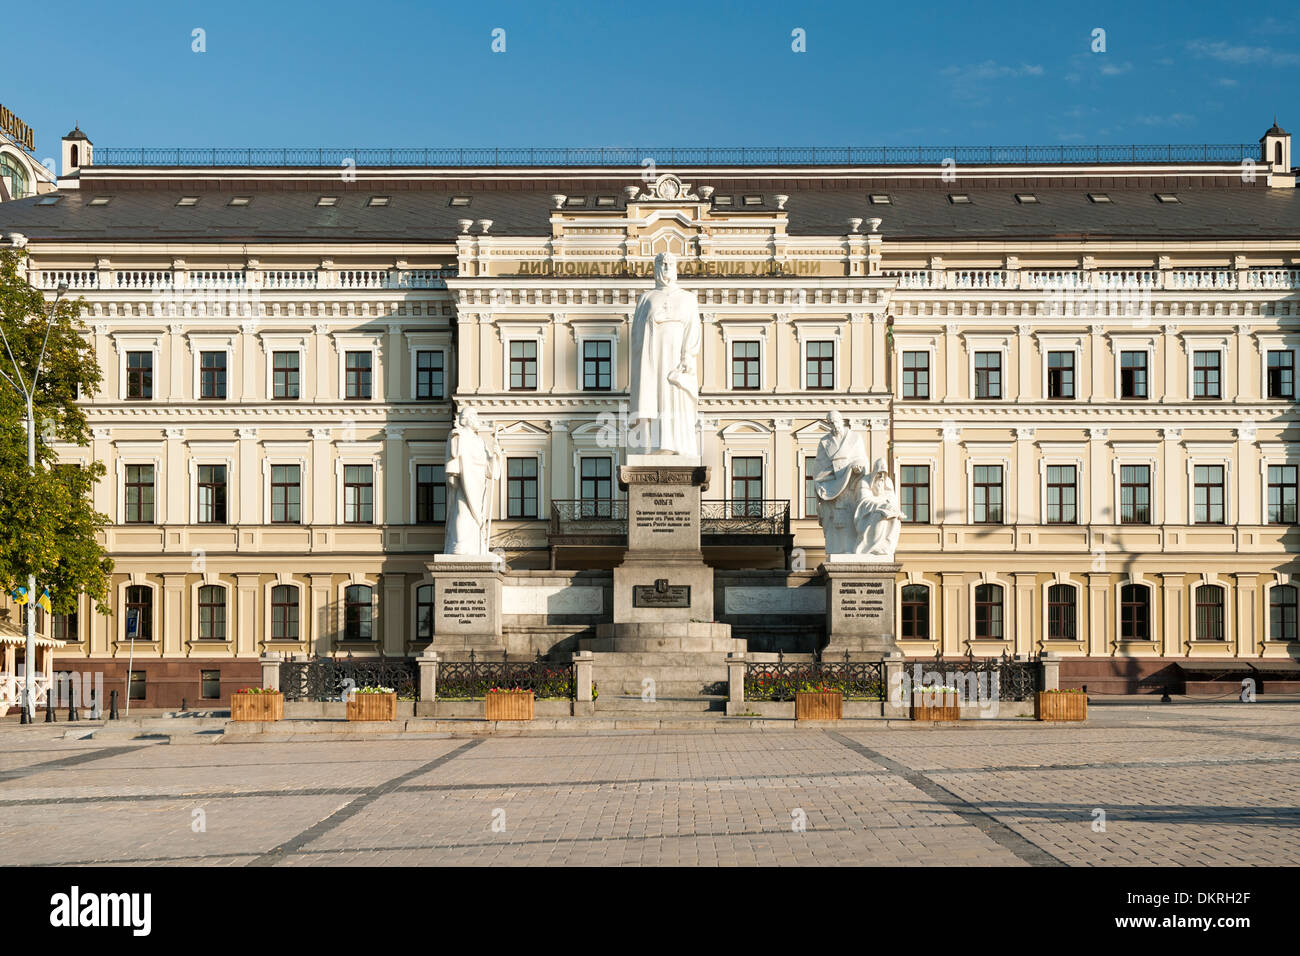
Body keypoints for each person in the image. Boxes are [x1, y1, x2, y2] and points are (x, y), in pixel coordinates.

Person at [628, 251, 701, 456]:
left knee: (675, 396)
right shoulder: (646, 298)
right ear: (656, 268)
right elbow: (636, 335)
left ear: (676, 268)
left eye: (670, 263)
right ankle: (657, 444)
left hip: (676, 358)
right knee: (656, 397)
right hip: (653, 358)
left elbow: (693, 328)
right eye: (662, 263)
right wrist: (652, 322)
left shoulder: (688, 298)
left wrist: (687, 355)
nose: (666, 267)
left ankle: (676, 444)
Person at [443, 406, 501, 555]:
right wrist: (454, 473)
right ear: (466, 419)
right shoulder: (458, 435)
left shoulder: (480, 441)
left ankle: (478, 546)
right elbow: (453, 455)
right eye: (475, 416)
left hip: (478, 481)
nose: (478, 420)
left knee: (477, 516)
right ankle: (459, 544)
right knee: (462, 509)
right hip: (465, 477)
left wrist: (496, 456)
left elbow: (490, 470)